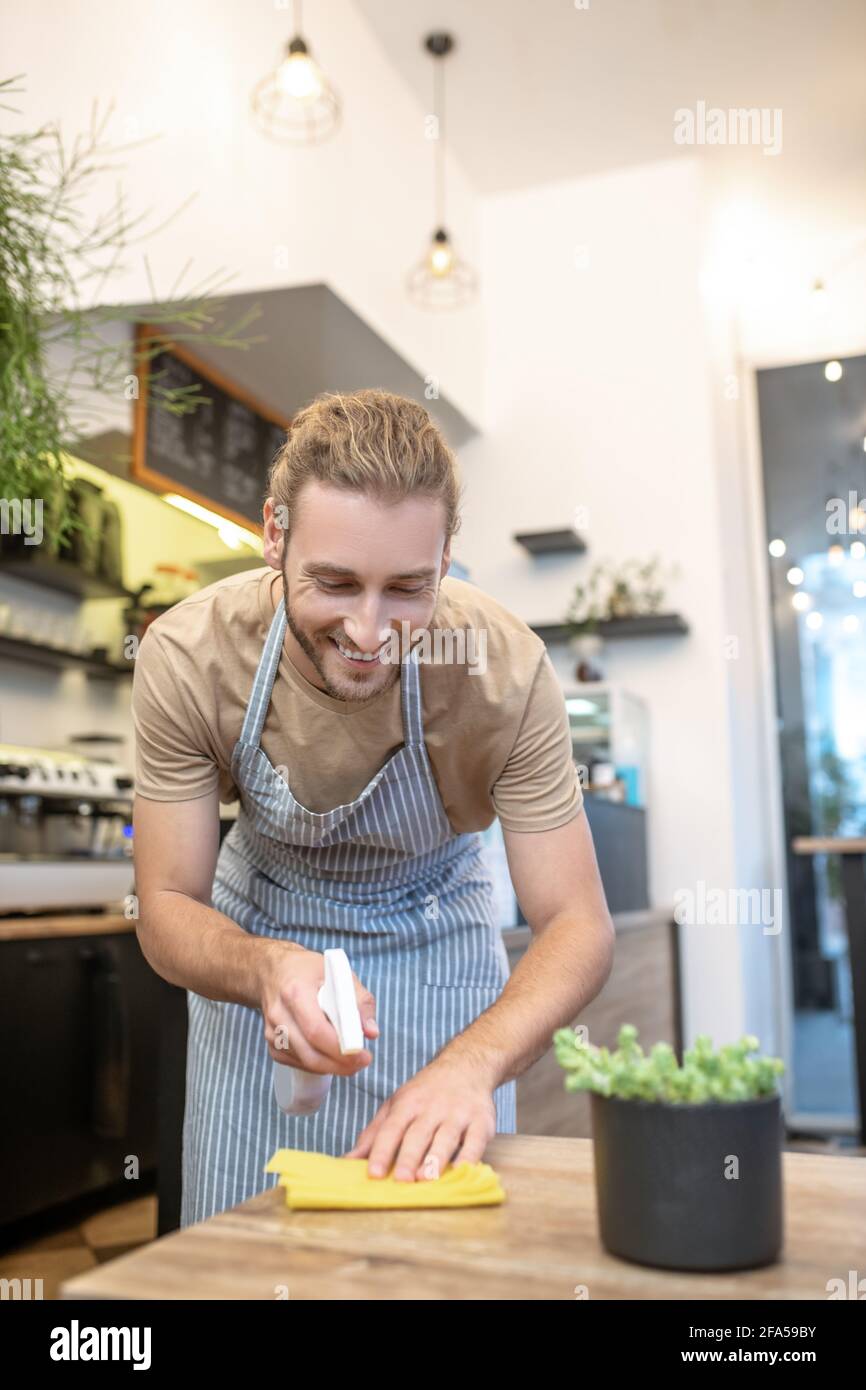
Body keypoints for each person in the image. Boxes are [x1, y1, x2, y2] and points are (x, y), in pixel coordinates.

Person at [132, 388, 615, 1226]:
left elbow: (578, 922)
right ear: (274, 535)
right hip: (257, 962)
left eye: (406, 589)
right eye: (336, 582)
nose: (368, 630)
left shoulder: (505, 672)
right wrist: (264, 970)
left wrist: (474, 1066)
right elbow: (166, 903)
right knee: (243, 1266)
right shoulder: (191, 653)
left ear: (446, 556)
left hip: (442, 967)